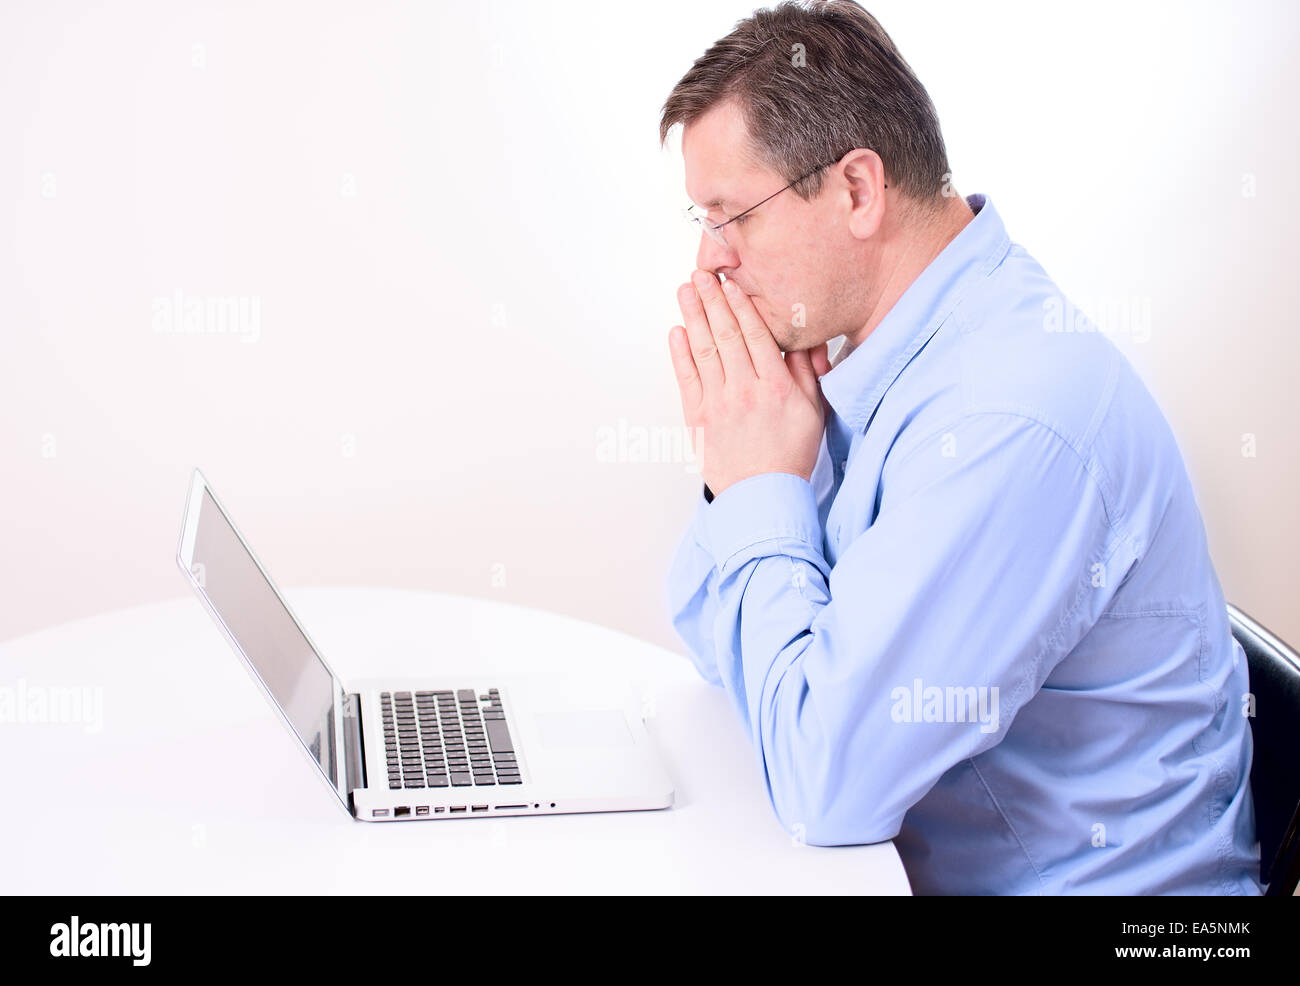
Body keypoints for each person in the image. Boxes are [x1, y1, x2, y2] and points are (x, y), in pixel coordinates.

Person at [660, 0, 1260, 894]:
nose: (710, 265)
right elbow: (726, 654)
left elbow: (827, 784)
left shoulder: (1006, 419)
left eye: (728, 216)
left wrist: (757, 489)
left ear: (857, 190)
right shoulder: (884, 356)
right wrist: (747, 480)